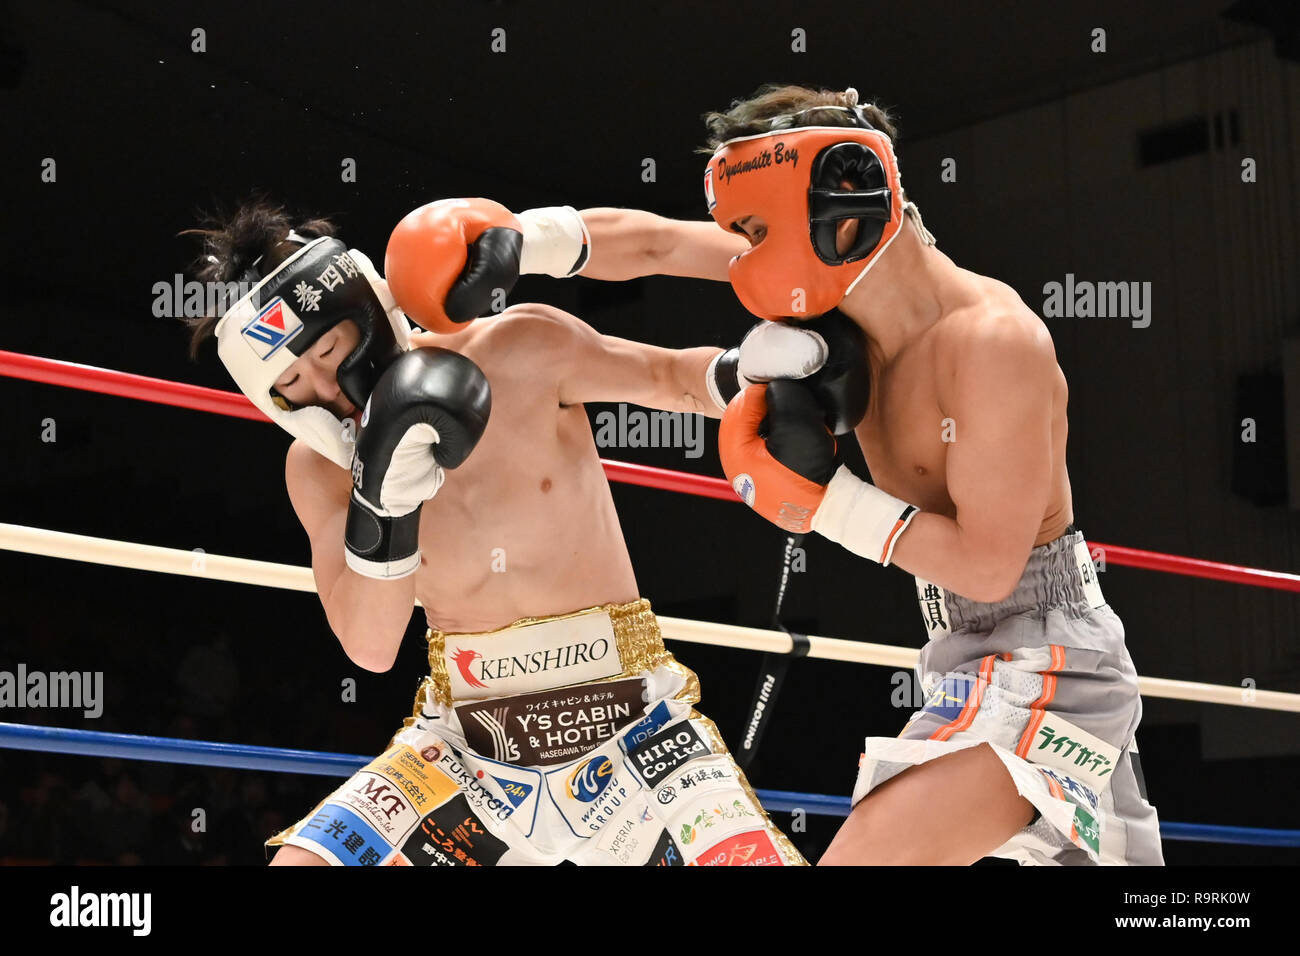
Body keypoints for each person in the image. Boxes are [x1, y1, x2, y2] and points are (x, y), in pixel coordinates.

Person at [499, 84, 1163, 866]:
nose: (742, 258)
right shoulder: (838, 296)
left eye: (751, 230)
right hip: (958, 648)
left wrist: (824, 502)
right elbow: (655, 247)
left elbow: (989, 567)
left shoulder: (992, 341)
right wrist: (514, 241)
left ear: (836, 199)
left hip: (1052, 662)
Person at [181, 198, 819, 865]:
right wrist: (385, 499)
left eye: (330, 349)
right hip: (467, 745)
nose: (328, 388)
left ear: (366, 310)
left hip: (631, 720)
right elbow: (371, 647)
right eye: (292, 383)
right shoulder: (316, 471)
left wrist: (764, 367)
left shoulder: (519, 349)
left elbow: (672, 377)